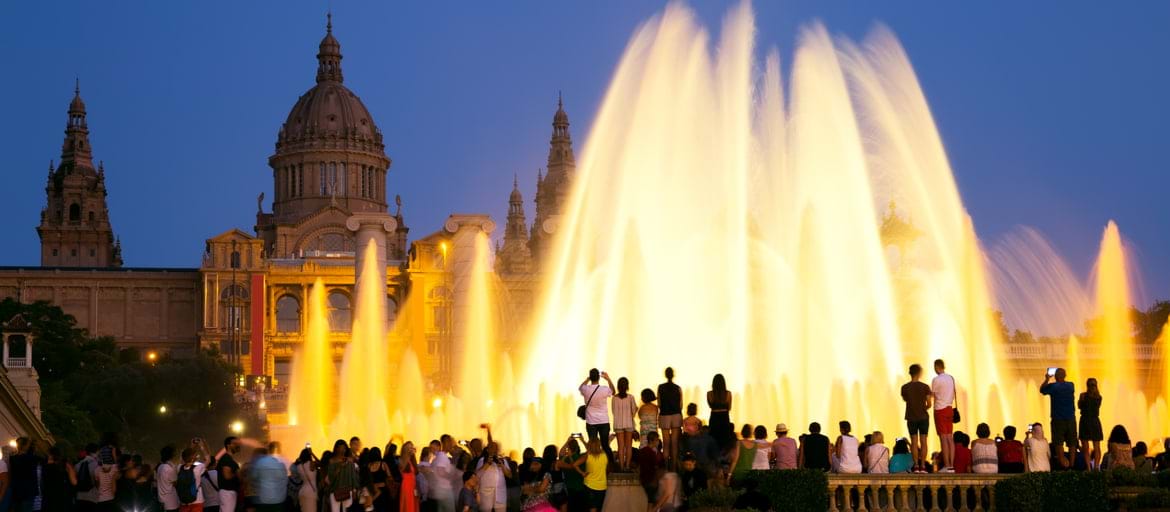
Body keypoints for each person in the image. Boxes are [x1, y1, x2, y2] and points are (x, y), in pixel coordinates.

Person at [1039, 368, 1077, 469]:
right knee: (1072, 443)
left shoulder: (1053, 387)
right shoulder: (1071, 385)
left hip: (1058, 419)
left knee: (1058, 442)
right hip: (1071, 418)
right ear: (1065, 375)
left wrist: (1047, 379)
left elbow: (1042, 390)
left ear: (1055, 376)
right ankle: (1072, 466)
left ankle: (1063, 464)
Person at [578, 369, 615, 463]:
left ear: (590, 377)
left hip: (591, 422)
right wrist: (608, 378)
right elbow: (613, 391)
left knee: (592, 445)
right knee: (605, 445)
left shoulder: (585, 389)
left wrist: (587, 379)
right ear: (599, 377)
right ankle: (610, 464)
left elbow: (580, 387)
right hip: (604, 421)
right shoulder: (604, 389)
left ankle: (593, 464)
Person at [901, 363, 932, 473]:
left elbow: (905, 399)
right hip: (923, 417)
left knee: (914, 441)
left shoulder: (905, 388)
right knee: (924, 441)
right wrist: (923, 408)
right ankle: (923, 466)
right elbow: (929, 403)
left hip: (911, 417)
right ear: (919, 373)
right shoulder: (925, 387)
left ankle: (916, 466)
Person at [930, 359, 957, 472]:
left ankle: (947, 465)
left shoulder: (936, 380)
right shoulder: (951, 378)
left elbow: (934, 396)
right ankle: (951, 465)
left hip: (940, 409)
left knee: (943, 438)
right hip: (949, 409)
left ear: (936, 367)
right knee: (950, 438)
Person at [656, 368, 682, 470]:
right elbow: (681, 404)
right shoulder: (678, 388)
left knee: (666, 442)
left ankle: (666, 467)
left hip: (664, 415)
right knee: (674, 442)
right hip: (676, 414)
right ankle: (674, 467)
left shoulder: (660, 387)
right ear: (673, 375)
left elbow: (659, 404)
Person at [475, 441, 511, 512]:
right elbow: (477, 475)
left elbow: (509, 475)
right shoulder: (482, 460)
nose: (493, 450)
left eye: (495, 448)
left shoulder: (502, 460)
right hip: (486, 494)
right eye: (491, 448)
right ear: (487, 449)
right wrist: (487, 464)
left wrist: (502, 466)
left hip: (500, 493)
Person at [610, 377, 637, 471]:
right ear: (627, 386)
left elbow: (613, 411)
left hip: (618, 424)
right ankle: (628, 466)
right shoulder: (631, 397)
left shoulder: (614, 398)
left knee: (620, 447)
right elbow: (633, 412)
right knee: (628, 446)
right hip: (629, 423)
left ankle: (621, 467)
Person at [325, 440, 360, 512]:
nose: (343, 450)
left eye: (344, 448)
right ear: (336, 449)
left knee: (347, 510)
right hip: (335, 490)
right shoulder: (332, 461)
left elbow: (353, 476)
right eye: (341, 448)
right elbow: (331, 478)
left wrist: (354, 490)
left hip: (348, 490)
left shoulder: (349, 461)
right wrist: (340, 466)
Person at [250, 447, 287, 512]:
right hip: (279, 499)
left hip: (264, 500)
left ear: (259, 455)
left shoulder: (259, 463)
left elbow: (253, 478)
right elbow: (285, 481)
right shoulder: (280, 464)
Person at [41, 445, 78, 512]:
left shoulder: (44, 466)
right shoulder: (65, 465)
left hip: (48, 496)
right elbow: (74, 482)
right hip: (63, 497)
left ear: (50, 455)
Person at [1078, 377, 1104, 470]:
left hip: (1087, 421)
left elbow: (1080, 406)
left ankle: (1092, 467)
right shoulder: (1098, 397)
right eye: (1091, 384)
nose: (1092, 386)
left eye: (1093, 385)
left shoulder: (1085, 396)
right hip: (1092, 421)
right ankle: (1093, 467)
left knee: (1090, 446)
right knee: (1093, 446)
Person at [555, 438, 586, 512]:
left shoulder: (564, 459)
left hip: (568, 488)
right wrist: (583, 440)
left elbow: (560, 453)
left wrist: (567, 441)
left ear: (568, 447)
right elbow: (590, 451)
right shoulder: (582, 458)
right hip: (580, 487)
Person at [176, 446, 209, 512]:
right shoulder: (197, 468)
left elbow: (183, 459)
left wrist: (191, 447)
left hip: (183, 501)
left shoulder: (179, 468)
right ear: (194, 458)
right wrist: (202, 446)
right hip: (197, 500)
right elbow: (208, 459)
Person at [706, 374, 733, 450]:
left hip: (714, 416)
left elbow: (710, 405)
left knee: (714, 437)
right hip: (724, 417)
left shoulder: (709, 394)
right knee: (724, 438)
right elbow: (729, 407)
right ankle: (723, 457)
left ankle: (715, 457)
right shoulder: (728, 393)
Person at [217, 436, 243, 512]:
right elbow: (227, 476)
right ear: (228, 445)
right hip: (228, 493)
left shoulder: (228, 459)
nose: (238, 445)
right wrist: (237, 473)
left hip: (227, 493)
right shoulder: (226, 459)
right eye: (235, 443)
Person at [582, 440, 607, 512]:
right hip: (602, 486)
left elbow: (574, 464)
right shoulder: (604, 455)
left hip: (590, 485)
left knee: (593, 508)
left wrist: (582, 473)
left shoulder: (588, 456)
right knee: (599, 508)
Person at [635, 433, 662, 500]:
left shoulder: (642, 451)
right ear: (652, 441)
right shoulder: (652, 453)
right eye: (657, 440)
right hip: (651, 481)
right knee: (652, 502)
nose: (658, 442)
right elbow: (656, 467)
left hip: (644, 480)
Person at [76, 443, 101, 512]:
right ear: (97, 452)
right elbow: (98, 482)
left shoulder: (78, 464)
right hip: (92, 498)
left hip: (79, 497)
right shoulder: (96, 465)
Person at [158, 444, 181, 512]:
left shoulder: (160, 467)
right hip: (171, 502)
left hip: (162, 500)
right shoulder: (169, 468)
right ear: (171, 455)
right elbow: (176, 483)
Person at [400, 442, 420, 512]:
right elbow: (401, 469)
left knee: (413, 504)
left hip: (412, 485)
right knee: (408, 505)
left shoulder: (411, 460)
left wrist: (413, 456)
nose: (411, 449)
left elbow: (416, 472)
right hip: (406, 486)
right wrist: (408, 455)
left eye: (412, 447)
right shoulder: (402, 459)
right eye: (409, 447)